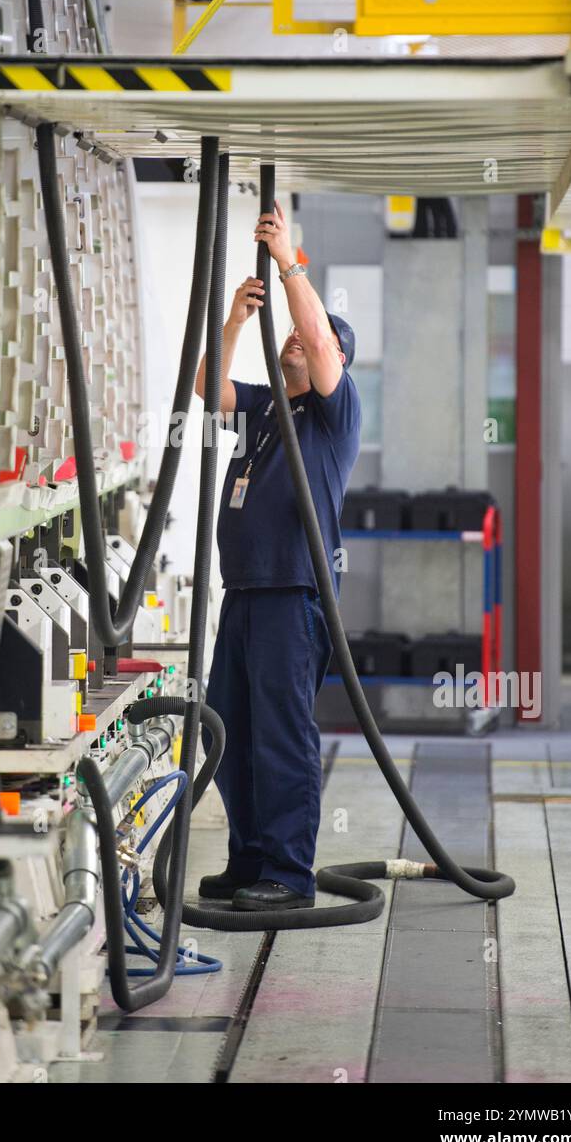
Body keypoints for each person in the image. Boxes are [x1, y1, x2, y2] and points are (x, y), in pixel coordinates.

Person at [193, 200, 362, 910]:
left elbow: (320, 343)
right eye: (287, 332)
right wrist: (233, 322)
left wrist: (290, 261)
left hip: (292, 596)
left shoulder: (332, 411)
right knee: (229, 728)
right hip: (243, 595)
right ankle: (250, 859)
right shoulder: (266, 406)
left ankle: (288, 876)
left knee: (282, 736)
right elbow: (207, 386)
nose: (294, 338)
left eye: (307, 336)